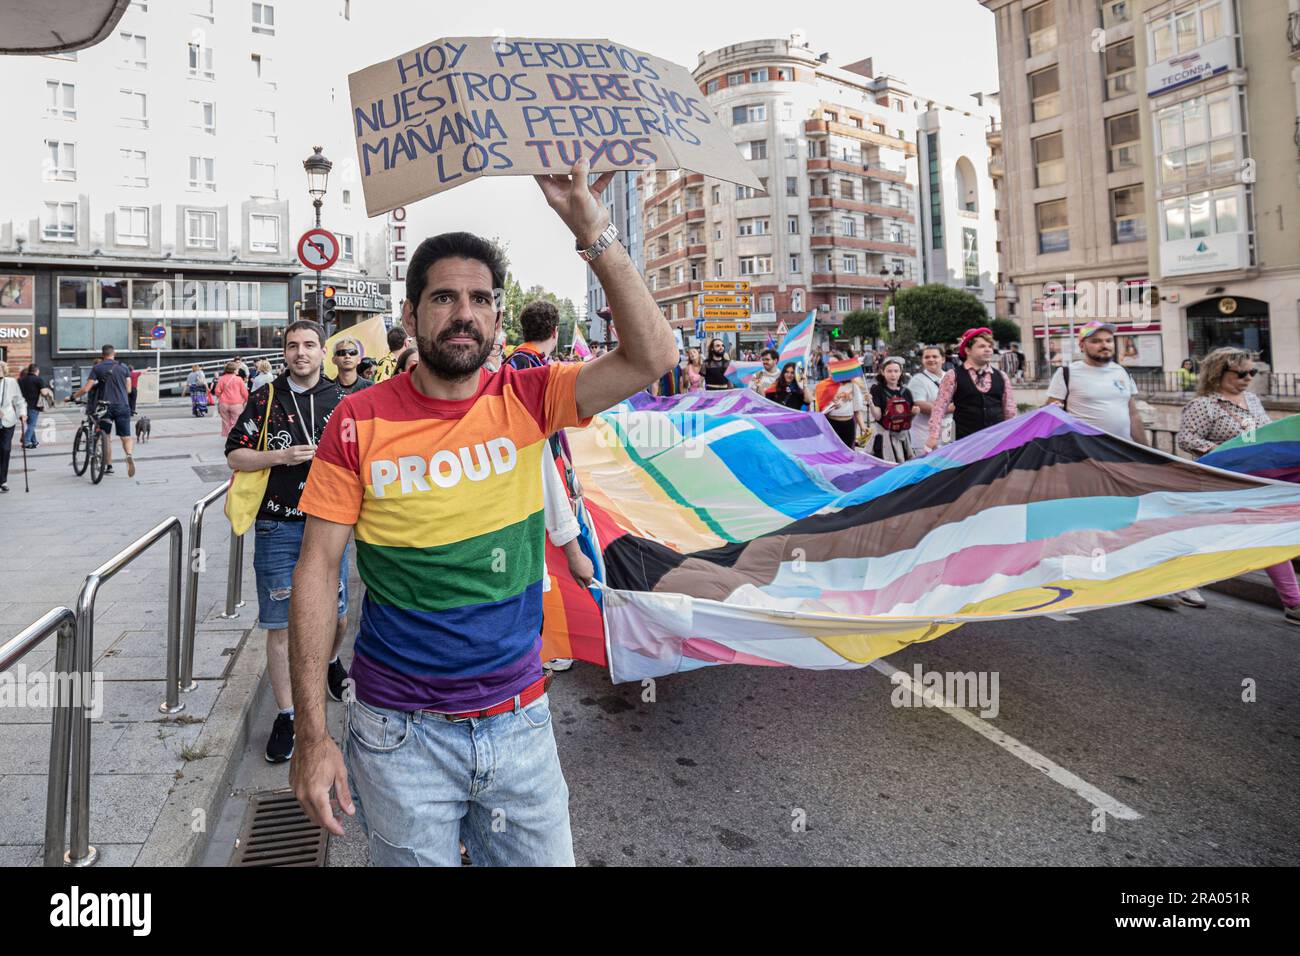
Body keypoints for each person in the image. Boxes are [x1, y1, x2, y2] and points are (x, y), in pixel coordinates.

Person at [288, 160, 678, 867]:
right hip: (396, 733)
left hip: (520, 724)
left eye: (479, 298)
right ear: (410, 316)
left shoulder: (529, 396)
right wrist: (313, 734)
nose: (463, 313)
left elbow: (652, 356)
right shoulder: (356, 420)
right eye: (442, 299)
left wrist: (590, 226)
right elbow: (317, 571)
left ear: (499, 315)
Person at [225, 320, 350, 763]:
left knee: (335, 616)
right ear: (285, 353)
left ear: (323, 352)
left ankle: (331, 660)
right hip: (277, 525)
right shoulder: (265, 398)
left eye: (310, 345)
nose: (302, 353)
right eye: (293, 346)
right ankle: (288, 713)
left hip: (330, 525)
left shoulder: (344, 399)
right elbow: (234, 454)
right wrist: (279, 456)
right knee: (279, 623)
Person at [1177, 347, 1300, 625]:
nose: (1248, 378)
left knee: (1269, 536)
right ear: (1219, 373)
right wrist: (1223, 450)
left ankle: (1294, 603)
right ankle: (1180, 580)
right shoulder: (1203, 405)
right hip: (1219, 483)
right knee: (1208, 536)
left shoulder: (1253, 400)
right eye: (1241, 373)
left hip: (1256, 483)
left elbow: (1267, 434)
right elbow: (1186, 439)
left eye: (1252, 372)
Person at [505, 299, 589, 674]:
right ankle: (545, 647)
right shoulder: (529, 368)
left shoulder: (518, 364)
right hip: (536, 472)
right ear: (555, 332)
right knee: (548, 557)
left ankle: (543, 643)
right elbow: (541, 433)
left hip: (537, 469)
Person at [1046, 322, 1145, 444]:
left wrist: (1148, 451)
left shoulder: (1123, 371)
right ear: (1082, 345)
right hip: (1086, 454)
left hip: (1123, 452)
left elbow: (1133, 414)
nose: (1105, 345)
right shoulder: (1065, 373)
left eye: (1109, 340)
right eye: (1096, 341)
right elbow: (1050, 414)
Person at [925, 327, 1016, 452]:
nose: (988, 349)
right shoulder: (953, 375)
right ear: (968, 350)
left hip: (996, 443)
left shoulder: (1002, 376)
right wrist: (933, 436)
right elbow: (939, 407)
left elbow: (1009, 411)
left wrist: (1012, 436)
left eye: (990, 346)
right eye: (982, 346)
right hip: (965, 444)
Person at [72, 344, 137, 477]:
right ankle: (129, 455)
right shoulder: (124, 367)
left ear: (102, 354)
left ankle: (109, 466)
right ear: (115, 353)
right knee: (126, 436)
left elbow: (86, 389)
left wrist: (73, 397)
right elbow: (129, 389)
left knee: (106, 437)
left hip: (105, 407)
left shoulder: (97, 367)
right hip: (123, 405)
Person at [867, 356, 916, 462]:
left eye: (896, 371)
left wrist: (915, 413)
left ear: (900, 372)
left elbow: (908, 418)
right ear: (883, 372)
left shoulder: (906, 392)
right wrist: (870, 403)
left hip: (903, 437)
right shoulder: (877, 390)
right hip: (884, 436)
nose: (893, 374)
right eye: (889, 371)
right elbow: (878, 416)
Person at [908, 346, 950, 454]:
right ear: (922, 360)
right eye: (927, 357)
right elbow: (921, 406)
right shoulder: (917, 380)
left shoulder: (950, 377)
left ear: (943, 359)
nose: (931, 359)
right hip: (924, 439)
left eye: (935, 356)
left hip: (948, 436)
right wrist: (952, 407)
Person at [822, 350, 868, 449]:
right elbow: (820, 410)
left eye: (835, 364)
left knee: (848, 454)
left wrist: (863, 427)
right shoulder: (823, 386)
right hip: (830, 425)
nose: (831, 367)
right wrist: (830, 406)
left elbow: (857, 410)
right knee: (832, 454)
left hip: (848, 425)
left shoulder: (852, 385)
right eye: (829, 364)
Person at [0, 360, 27, 493]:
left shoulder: (10, 382)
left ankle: (3, 481)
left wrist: (22, 414)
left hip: (8, 420)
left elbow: (19, 400)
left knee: (5, 449)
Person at [18, 364, 52, 449]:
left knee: (29, 424)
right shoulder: (38, 379)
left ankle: (34, 442)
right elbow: (44, 392)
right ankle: (26, 441)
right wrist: (48, 392)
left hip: (21, 406)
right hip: (33, 406)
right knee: (31, 425)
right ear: (37, 371)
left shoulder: (20, 380)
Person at [212, 361, 249, 438]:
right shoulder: (238, 379)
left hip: (224, 404)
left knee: (225, 422)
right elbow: (244, 393)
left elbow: (217, 391)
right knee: (236, 421)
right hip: (236, 404)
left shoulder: (222, 378)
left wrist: (222, 396)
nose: (238, 370)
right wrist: (247, 400)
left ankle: (228, 436)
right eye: (237, 369)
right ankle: (234, 437)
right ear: (234, 370)